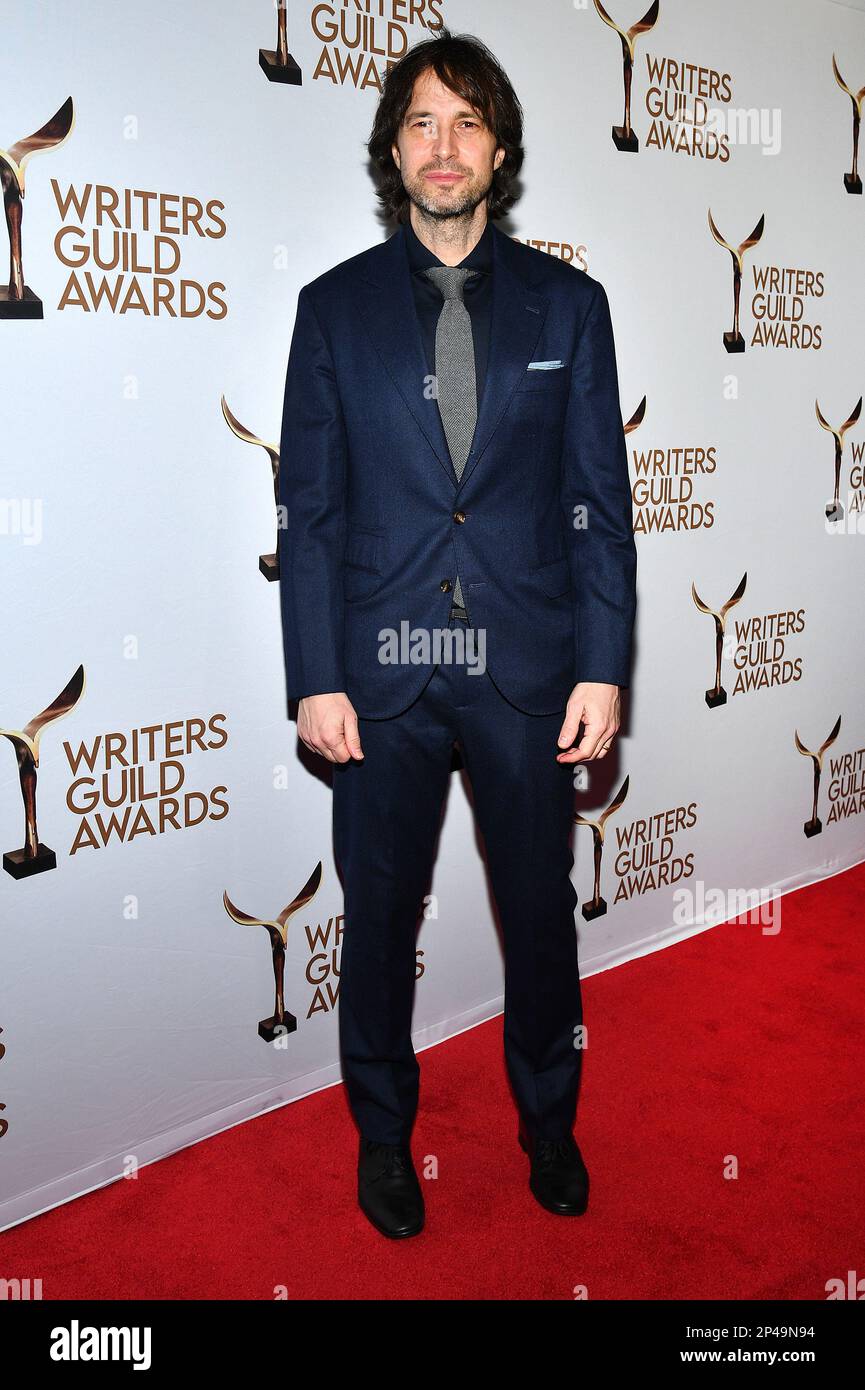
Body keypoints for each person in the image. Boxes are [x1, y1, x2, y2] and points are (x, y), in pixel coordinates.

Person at [278, 28, 637, 1239]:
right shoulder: (329, 310)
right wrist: (315, 674)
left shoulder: (569, 306)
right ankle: (383, 1134)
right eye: (423, 122)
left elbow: (599, 502)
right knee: (377, 918)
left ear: (501, 151)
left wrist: (603, 662)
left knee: (537, 912)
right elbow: (312, 512)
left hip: (526, 669)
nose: (445, 146)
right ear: (394, 147)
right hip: (380, 674)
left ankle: (549, 1121)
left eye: (469, 123)